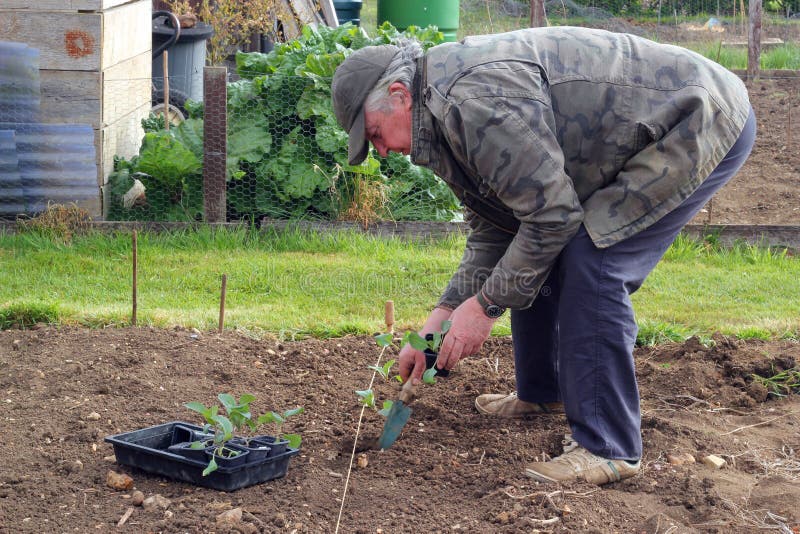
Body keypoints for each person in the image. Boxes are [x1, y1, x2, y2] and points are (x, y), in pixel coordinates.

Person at [331, 26, 755, 485]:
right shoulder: (439, 121)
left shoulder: (471, 104)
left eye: (375, 134)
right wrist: (445, 313)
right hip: (634, 137)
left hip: (694, 118)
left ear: (399, 95)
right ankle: (542, 391)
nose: (383, 151)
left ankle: (608, 447)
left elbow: (553, 216)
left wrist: (487, 307)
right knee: (534, 240)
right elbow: (496, 229)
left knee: (594, 260)